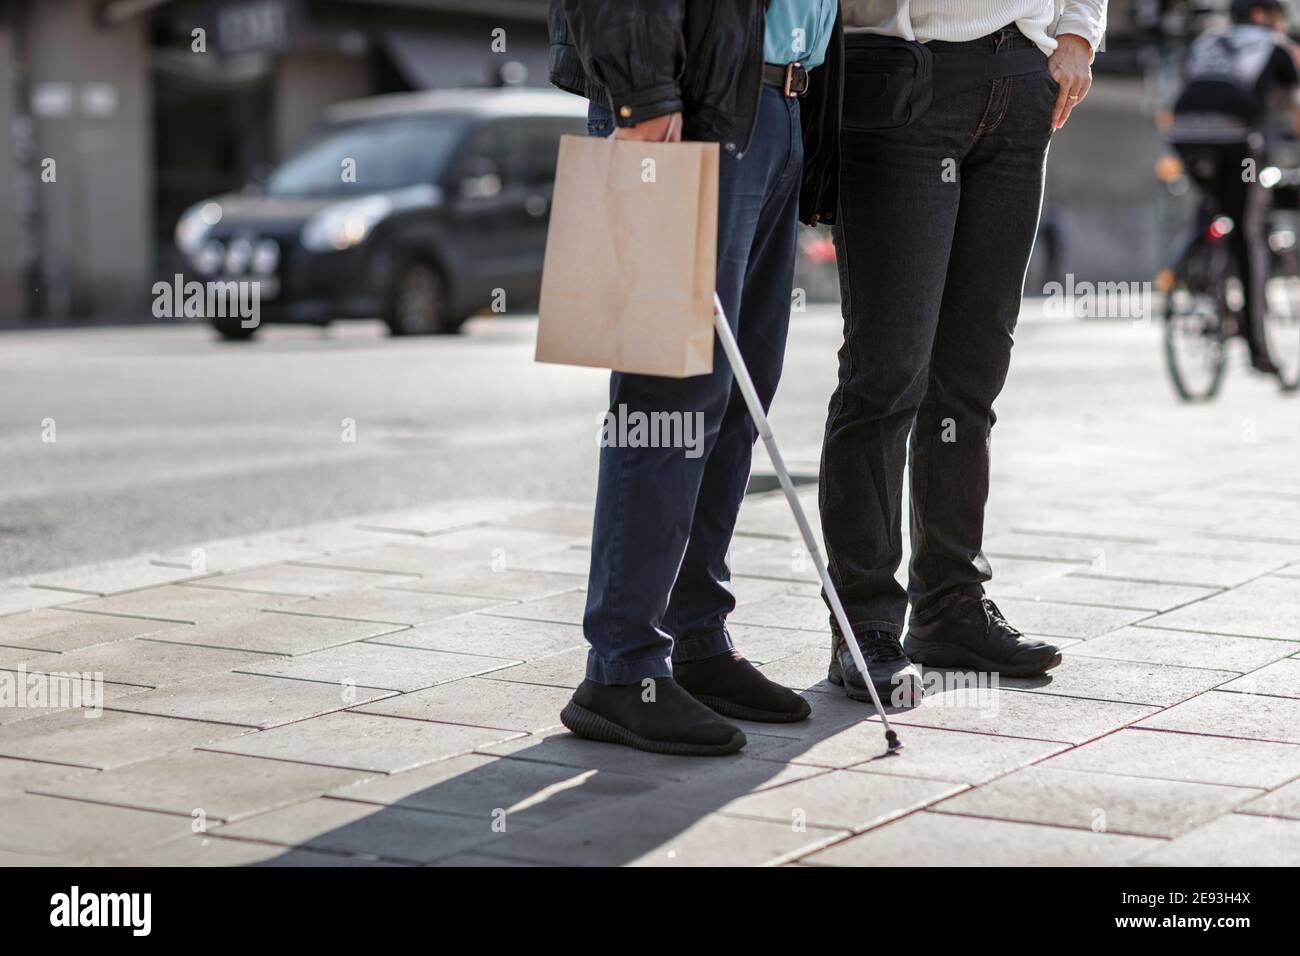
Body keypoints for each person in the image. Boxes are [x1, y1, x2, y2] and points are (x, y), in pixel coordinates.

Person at [548, 1, 844, 755]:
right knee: (668, 394)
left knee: (741, 394)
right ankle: (622, 669)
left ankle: (695, 640)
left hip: (778, 104)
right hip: (690, 105)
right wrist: (641, 92)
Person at [820, 1, 1106, 705]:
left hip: (1020, 78)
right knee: (886, 373)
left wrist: (1077, 34)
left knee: (971, 375)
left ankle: (950, 605)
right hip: (902, 76)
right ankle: (865, 624)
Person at [1170, 0, 1300, 376]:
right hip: (1236, 143)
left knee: (1213, 199)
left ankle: (1198, 265)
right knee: (1248, 228)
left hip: (1185, 136)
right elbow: (1295, 107)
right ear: (1262, 15)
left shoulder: (1207, 41)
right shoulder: (1273, 44)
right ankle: (1256, 344)